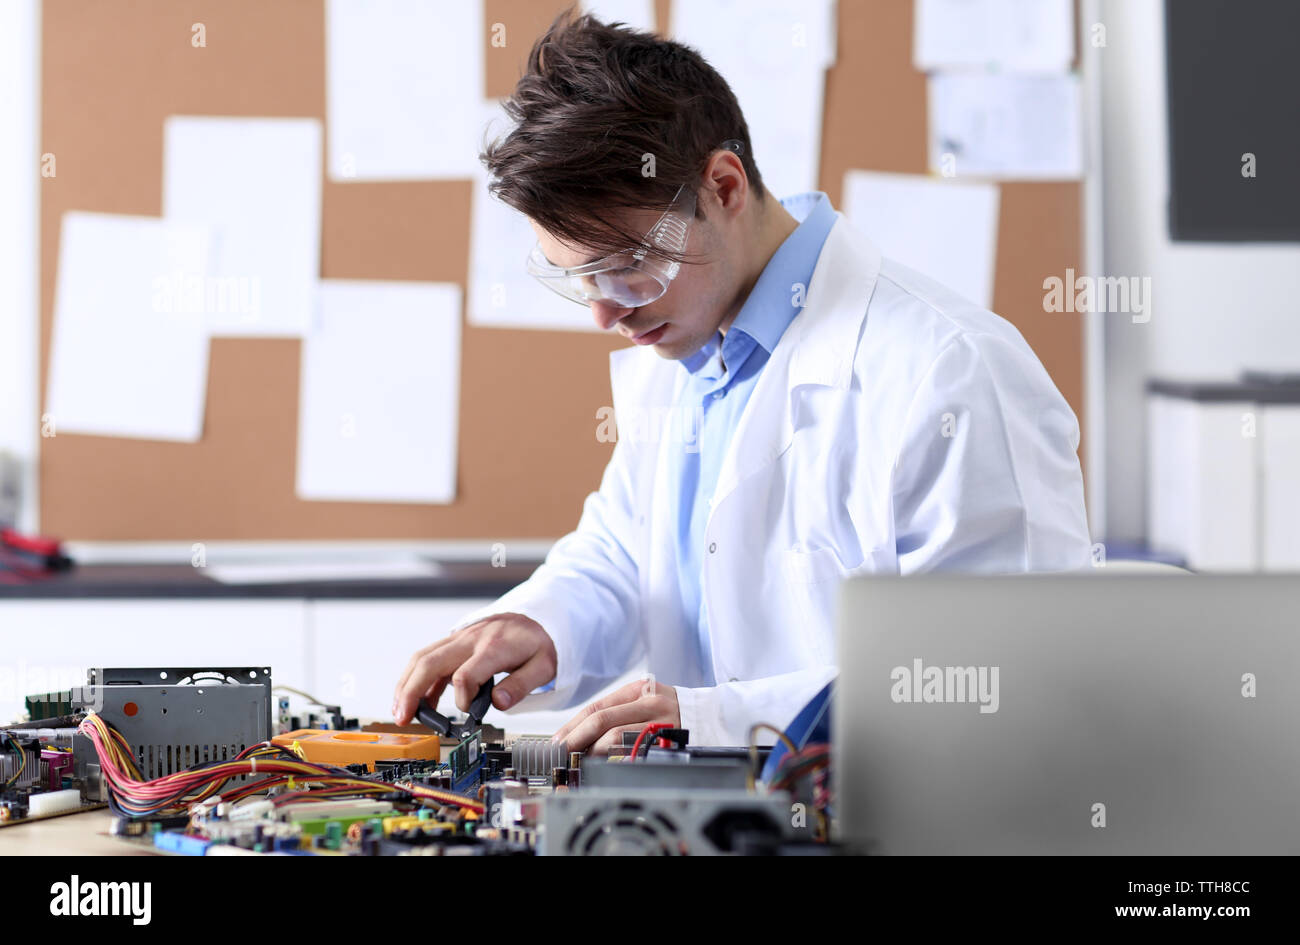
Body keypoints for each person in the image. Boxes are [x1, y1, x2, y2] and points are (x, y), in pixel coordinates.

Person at [393, 9, 1091, 751]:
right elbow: (628, 553)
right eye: (579, 280)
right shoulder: (685, 352)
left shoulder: (948, 371)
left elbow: (1001, 675)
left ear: (724, 186)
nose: (604, 314)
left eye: (626, 266)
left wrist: (718, 721)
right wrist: (543, 621)